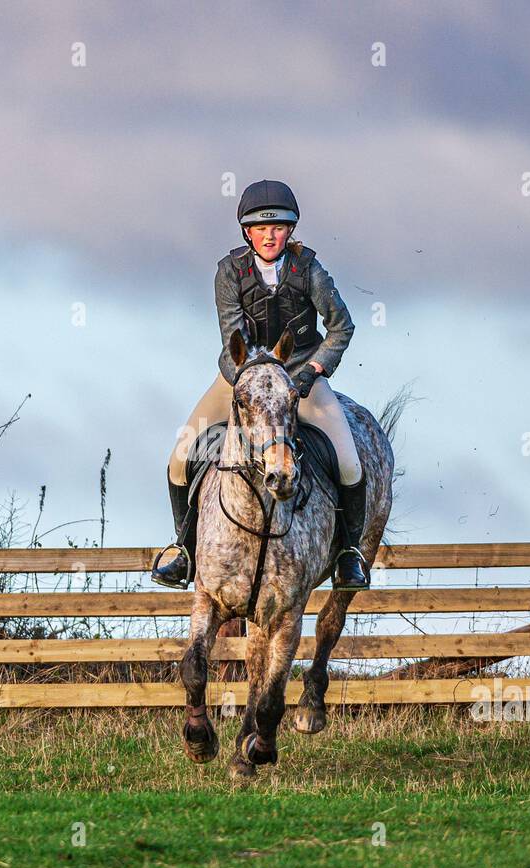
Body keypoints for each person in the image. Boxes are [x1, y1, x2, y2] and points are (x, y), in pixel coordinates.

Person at [152, 179, 369, 591]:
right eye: (261, 228)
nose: (270, 236)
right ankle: (183, 551)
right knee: (181, 457)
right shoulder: (229, 273)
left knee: (349, 461)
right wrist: (252, 382)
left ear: (290, 230)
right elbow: (234, 340)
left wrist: (311, 373)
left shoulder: (311, 271)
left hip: (299, 378)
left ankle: (347, 554)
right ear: (246, 232)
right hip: (243, 378)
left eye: (279, 227)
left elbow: (341, 326)